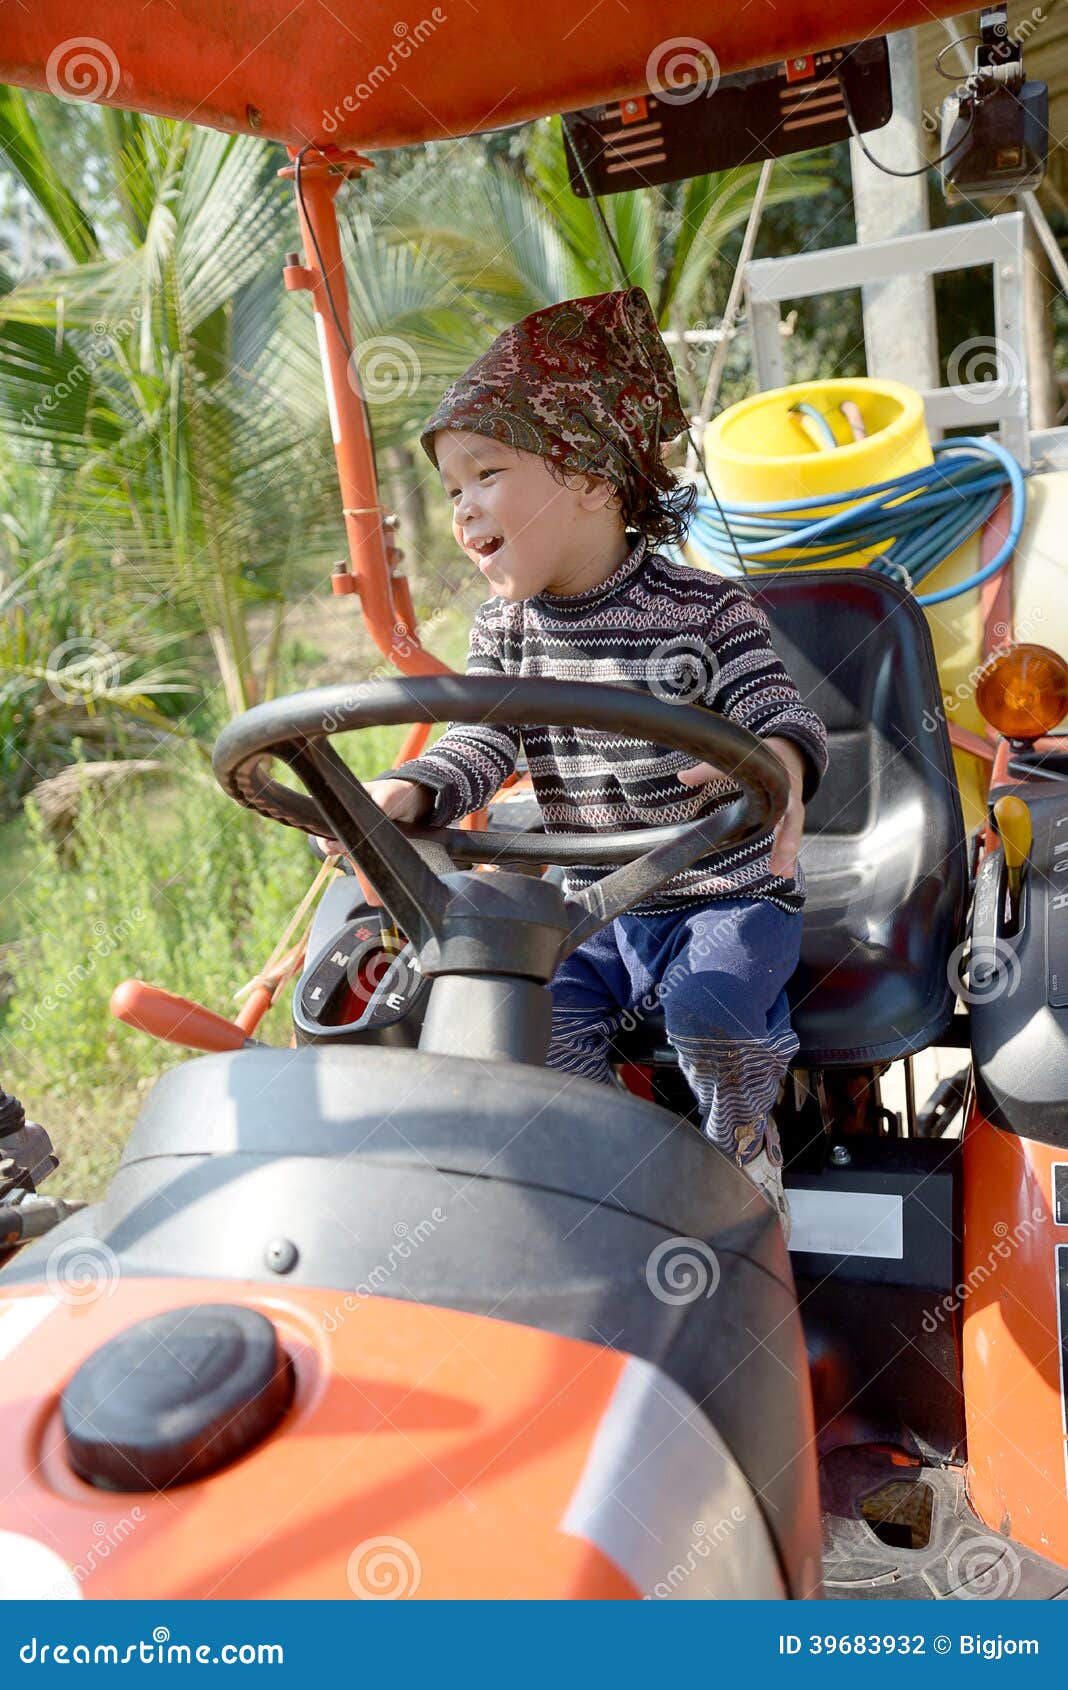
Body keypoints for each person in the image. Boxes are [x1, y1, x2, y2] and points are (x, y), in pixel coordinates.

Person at [337, 288, 827, 1237]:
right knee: (530, 1024)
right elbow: (490, 736)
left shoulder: (706, 609)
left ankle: (740, 1149)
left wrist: (771, 759)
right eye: (452, 490)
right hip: (592, 901)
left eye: (487, 472)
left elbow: (777, 709)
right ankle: (628, 1172)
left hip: (725, 891)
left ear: (595, 481)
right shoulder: (507, 630)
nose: (463, 507)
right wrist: (418, 785)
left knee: (714, 1011)